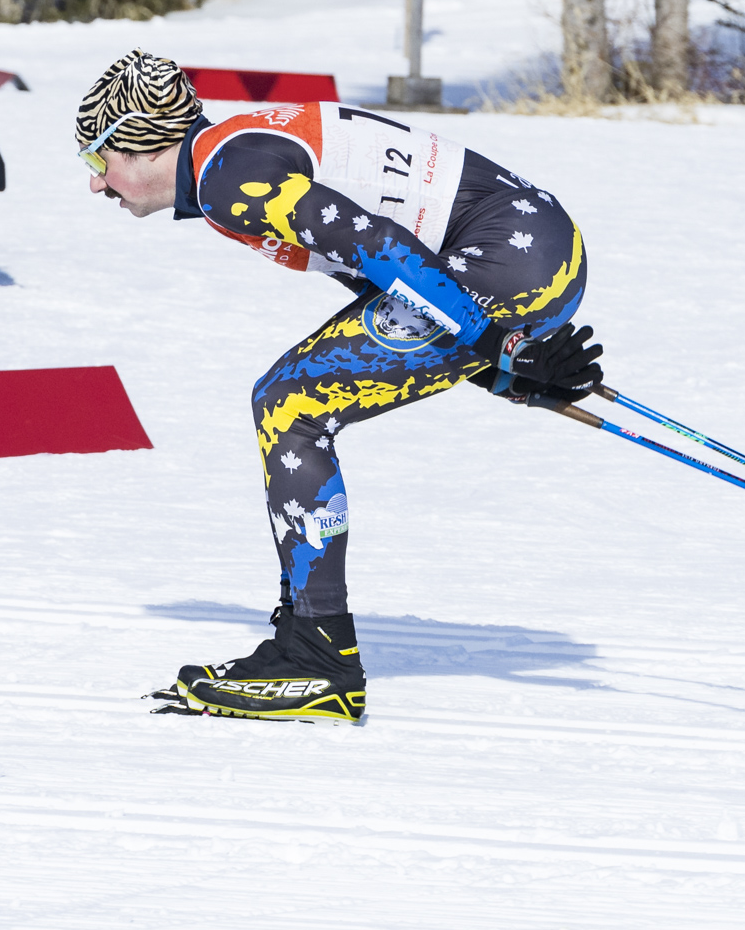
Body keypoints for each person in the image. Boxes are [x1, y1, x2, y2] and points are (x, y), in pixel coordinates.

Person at [77, 51, 603, 723]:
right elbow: (371, 273)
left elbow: (377, 245)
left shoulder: (226, 175)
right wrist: (496, 364)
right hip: (524, 247)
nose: (98, 185)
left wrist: (493, 343)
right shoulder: (234, 153)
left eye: (98, 161)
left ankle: (318, 658)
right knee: (291, 396)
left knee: (290, 404)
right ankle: (307, 637)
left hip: (506, 257)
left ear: (142, 143)